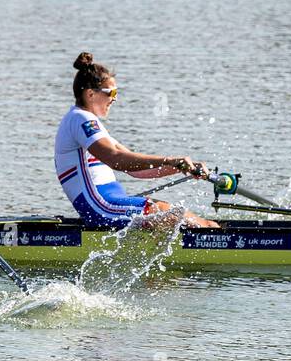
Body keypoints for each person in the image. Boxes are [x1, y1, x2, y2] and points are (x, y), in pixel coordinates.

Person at [55, 54, 218, 229]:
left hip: (110, 205)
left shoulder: (86, 123)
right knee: (203, 225)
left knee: (202, 223)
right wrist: (171, 160)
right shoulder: (81, 120)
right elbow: (116, 159)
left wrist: (180, 167)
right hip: (101, 208)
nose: (115, 98)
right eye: (111, 92)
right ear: (90, 94)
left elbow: (135, 171)